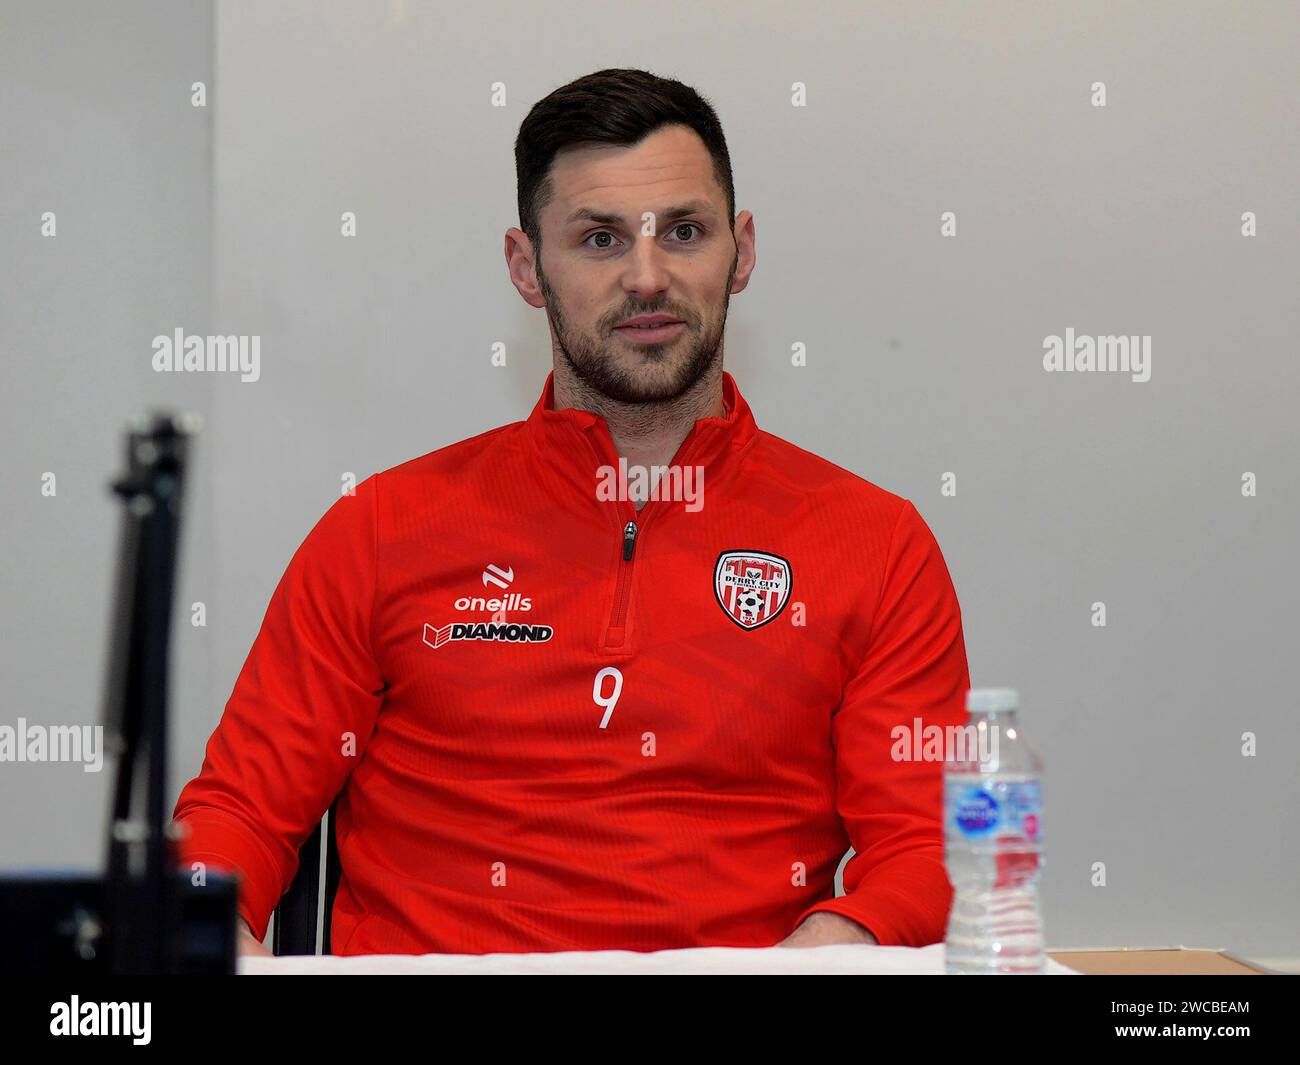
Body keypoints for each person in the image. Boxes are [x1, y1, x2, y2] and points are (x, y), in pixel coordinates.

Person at [173, 68, 971, 957]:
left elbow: (926, 844)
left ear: (741, 251)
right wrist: (212, 940)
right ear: (527, 266)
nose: (647, 276)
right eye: (598, 238)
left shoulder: (877, 543)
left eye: (685, 231)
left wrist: (833, 943)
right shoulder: (380, 530)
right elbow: (236, 811)